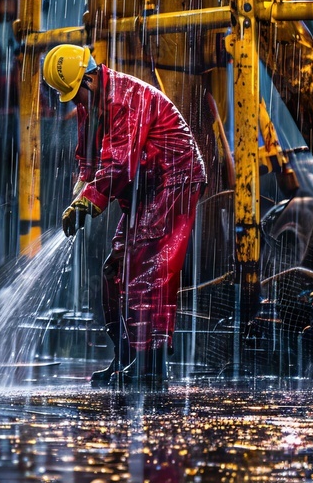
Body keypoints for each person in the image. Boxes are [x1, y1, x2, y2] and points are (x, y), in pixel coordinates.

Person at [42, 44, 206, 388]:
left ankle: (150, 365)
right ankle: (127, 357)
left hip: (173, 178)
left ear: (89, 80)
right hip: (147, 184)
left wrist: (90, 202)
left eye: (74, 94)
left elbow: (119, 165)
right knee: (115, 271)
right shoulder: (91, 102)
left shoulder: (124, 99)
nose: (74, 103)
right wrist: (81, 192)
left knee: (147, 268)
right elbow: (90, 158)